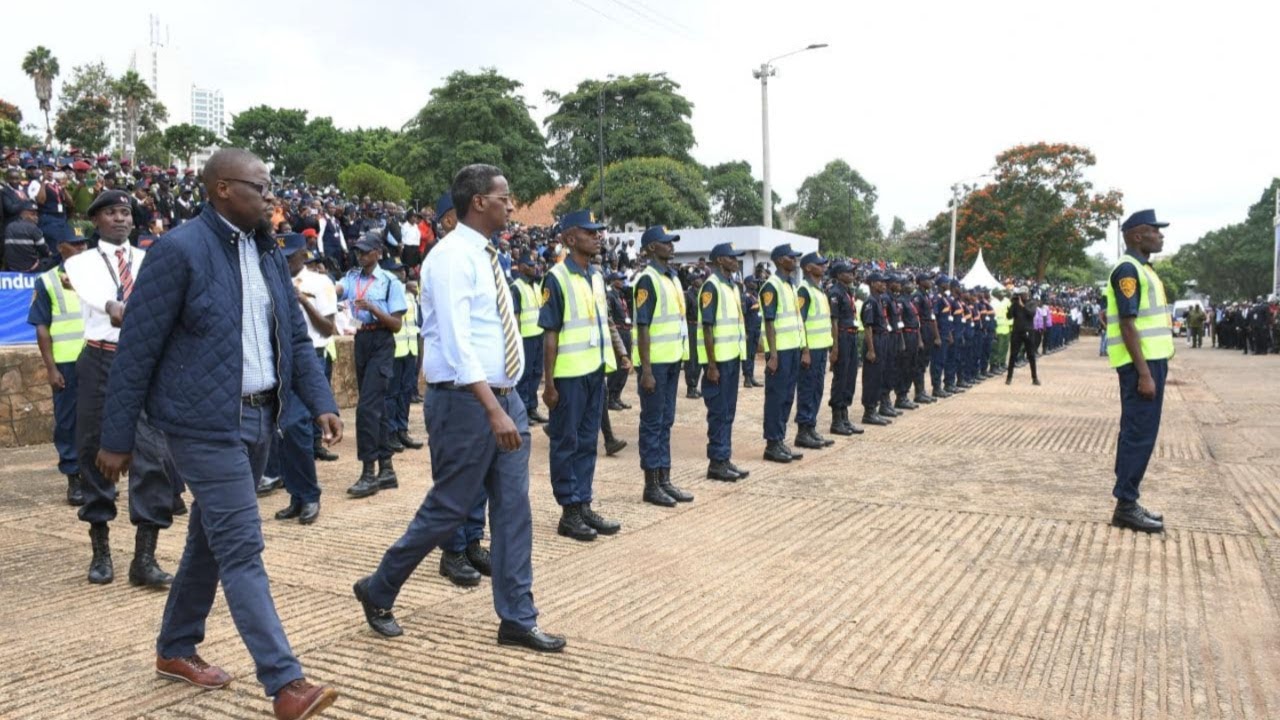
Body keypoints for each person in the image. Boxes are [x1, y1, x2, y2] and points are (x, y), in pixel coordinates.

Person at [96, 148, 342, 719]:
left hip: (261, 418)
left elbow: (297, 343)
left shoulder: (269, 253)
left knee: (211, 536)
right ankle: (285, 683)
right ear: (223, 190)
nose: (271, 198)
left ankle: (175, 647)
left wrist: (321, 400)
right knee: (242, 547)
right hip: (202, 424)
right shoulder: (179, 251)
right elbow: (137, 348)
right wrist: (117, 438)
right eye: (261, 187)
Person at [354, 163, 565, 654]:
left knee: (514, 513)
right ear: (478, 202)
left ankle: (517, 617)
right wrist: (492, 408)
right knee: (449, 509)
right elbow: (456, 338)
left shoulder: (490, 256)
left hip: (502, 397)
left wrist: (506, 401)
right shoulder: (450, 258)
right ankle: (379, 587)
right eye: (504, 197)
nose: (511, 206)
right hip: (468, 402)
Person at [62, 190, 176, 589]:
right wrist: (115, 306)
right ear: (96, 221)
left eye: (125, 212)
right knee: (95, 451)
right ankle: (101, 551)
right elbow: (98, 297)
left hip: (145, 362)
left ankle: (144, 557)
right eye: (111, 212)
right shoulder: (80, 263)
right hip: (101, 360)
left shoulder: (150, 260)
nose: (120, 219)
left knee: (154, 455)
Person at [540, 210, 627, 541]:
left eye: (598, 232)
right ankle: (569, 511)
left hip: (594, 371)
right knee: (566, 441)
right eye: (590, 232)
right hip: (568, 376)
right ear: (570, 238)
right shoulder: (557, 278)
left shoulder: (596, 276)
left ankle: (584, 503)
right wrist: (548, 384)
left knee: (589, 441)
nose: (597, 236)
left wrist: (616, 356)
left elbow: (602, 323)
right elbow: (550, 333)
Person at [1102, 209, 1174, 534]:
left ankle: (1128, 500)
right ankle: (1126, 505)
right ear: (1136, 235)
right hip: (1140, 365)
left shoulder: (1144, 270)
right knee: (1138, 434)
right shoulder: (1129, 270)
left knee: (1138, 432)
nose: (1160, 235)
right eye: (1154, 231)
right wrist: (1144, 373)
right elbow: (1128, 325)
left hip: (1150, 361)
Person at [274, 238, 338, 526]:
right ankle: (296, 495)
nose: (288, 261)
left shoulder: (319, 283)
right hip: (278, 358)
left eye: (292, 255)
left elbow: (328, 328)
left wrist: (302, 300)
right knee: (283, 430)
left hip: (308, 356)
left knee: (297, 425)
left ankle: (310, 494)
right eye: (282, 255)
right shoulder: (272, 278)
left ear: (304, 254)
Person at [337, 234, 407, 499]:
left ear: (378, 253)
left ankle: (369, 471)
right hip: (361, 339)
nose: (360, 255)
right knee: (376, 408)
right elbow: (338, 289)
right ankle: (387, 468)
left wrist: (373, 308)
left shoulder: (390, 282)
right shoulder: (353, 277)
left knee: (366, 408)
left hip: (382, 341)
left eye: (365, 252)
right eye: (358, 251)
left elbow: (397, 324)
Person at [632, 225, 695, 505]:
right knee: (653, 423)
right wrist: (645, 370)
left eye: (671, 242)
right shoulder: (648, 279)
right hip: (654, 365)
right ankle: (651, 484)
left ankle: (665, 479)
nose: (671, 246)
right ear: (651, 248)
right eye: (665, 242)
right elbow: (643, 326)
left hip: (670, 361)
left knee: (666, 421)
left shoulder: (672, 277)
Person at [28, 231, 88, 504]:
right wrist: (51, 368)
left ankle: (95, 478)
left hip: (99, 359)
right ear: (59, 246)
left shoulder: (97, 278)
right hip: (67, 363)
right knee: (68, 422)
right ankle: (74, 478)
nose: (80, 247)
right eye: (74, 244)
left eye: (84, 243)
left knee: (97, 421)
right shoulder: (48, 281)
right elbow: (42, 329)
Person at [699, 242, 751, 480]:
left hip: (732, 358)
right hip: (717, 361)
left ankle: (725, 458)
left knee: (728, 411)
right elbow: (708, 329)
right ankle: (716, 463)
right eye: (731, 257)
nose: (735, 261)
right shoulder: (712, 286)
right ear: (720, 260)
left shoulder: (732, 285)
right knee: (719, 412)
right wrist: (710, 364)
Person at [760, 243, 808, 462]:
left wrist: (804, 347)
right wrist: (773, 354)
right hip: (780, 352)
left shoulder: (790, 285)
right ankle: (772, 444)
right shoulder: (772, 286)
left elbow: (798, 321)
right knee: (776, 398)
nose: (795, 260)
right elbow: (769, 322)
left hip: (793, 349)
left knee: (787, 396)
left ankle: (780, 440)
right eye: (791, 257)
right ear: (780, 260)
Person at [794, 252, 836, 449]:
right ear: (808, 268)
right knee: (807, 389)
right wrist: (805, 350)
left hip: (821, 348)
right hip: (810, 349)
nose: (823, 267)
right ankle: (803, 431)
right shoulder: (804, 290)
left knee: (817, 389)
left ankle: (811, 427)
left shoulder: (819, 290)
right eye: (819, 264)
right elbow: (800, 322)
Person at [825, 260, 864, 435]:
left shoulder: (848, 292)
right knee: (841, 378)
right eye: (848, 272)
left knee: (850, 376)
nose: (852, 275)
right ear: (839, 275)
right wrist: (835, 347)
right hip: (842, 336)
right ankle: (836, 420)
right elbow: (834, 322)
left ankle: (845, 417)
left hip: (851, 335)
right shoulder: (835, 293)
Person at [509, 251, 548, 423]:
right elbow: (515, 316)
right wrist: (516, 340)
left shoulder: (536, 285)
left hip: (538, 335)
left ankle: (532, 407)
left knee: (537, 373)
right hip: (525, 338)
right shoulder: (516, 287)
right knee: (524, 375)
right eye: (531, 266)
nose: (535, 268)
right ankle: (522, 411)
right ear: (523, 267)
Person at [860, 271, 892, 426]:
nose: (884, 284)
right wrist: (871, 350)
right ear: (873, 284)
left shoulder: (879, 300)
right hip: (875, 340)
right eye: (881, 282)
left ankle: (875, 408)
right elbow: (868, 327)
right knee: (872, 377)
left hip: (882, 339)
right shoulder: (870, 302)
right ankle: (869, 411)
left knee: (880, 375)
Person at [605, 271, 632, 411]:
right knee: (617, 366)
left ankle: (617, 396)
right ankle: (610, 398)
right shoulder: (610, 296)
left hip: (626, 331)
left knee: (625, 368)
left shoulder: (621, 295)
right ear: (613, 281)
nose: (622, 281)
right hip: (618, 331)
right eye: (619, 279)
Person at [911, 273, 939, 404]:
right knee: (919, 363)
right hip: (922, 329)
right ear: (921, 281)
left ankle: (922, 391)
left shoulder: (926, 295)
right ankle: (919, 392)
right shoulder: (917, 296)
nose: (930, 282)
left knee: (924, 363)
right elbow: (916, 318)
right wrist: (919, 338)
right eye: (928, 279)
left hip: (928, 329)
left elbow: (932, 317)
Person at [1005, 287, 1040, 386]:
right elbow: (1009, 316)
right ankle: (1009, 377)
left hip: (1028, 331)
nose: (1021, 296)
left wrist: (1022, 306)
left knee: (1031, 355)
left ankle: (1034, 378)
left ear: (1026, 294)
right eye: (1019, 294)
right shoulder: (1015, 304)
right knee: (1013, 355)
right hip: (1017, 331)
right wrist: (1012, 305)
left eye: (1022, 294)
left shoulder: (1032, 303)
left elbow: (1031, 314)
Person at [4, 200, 52, 271]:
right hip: (31, 268)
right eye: (32, 214)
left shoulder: (9, 227)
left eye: (36, 214)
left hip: (12, 268)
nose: (36, 217)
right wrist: (50, 254)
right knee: (53, 261)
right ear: (23, 214)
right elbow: (44, 250)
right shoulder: (33, 228)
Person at [741, 278, 762, 387]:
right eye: (753, 282)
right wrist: (744, 331)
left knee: (753, 354)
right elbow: (743, 315)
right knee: (747, 354)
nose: (755, 283)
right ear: (747, 283)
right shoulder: (745, 297)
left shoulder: (755, 295)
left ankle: (752, 376)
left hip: (756, 328)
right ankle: (747, 378)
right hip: (749, 329)